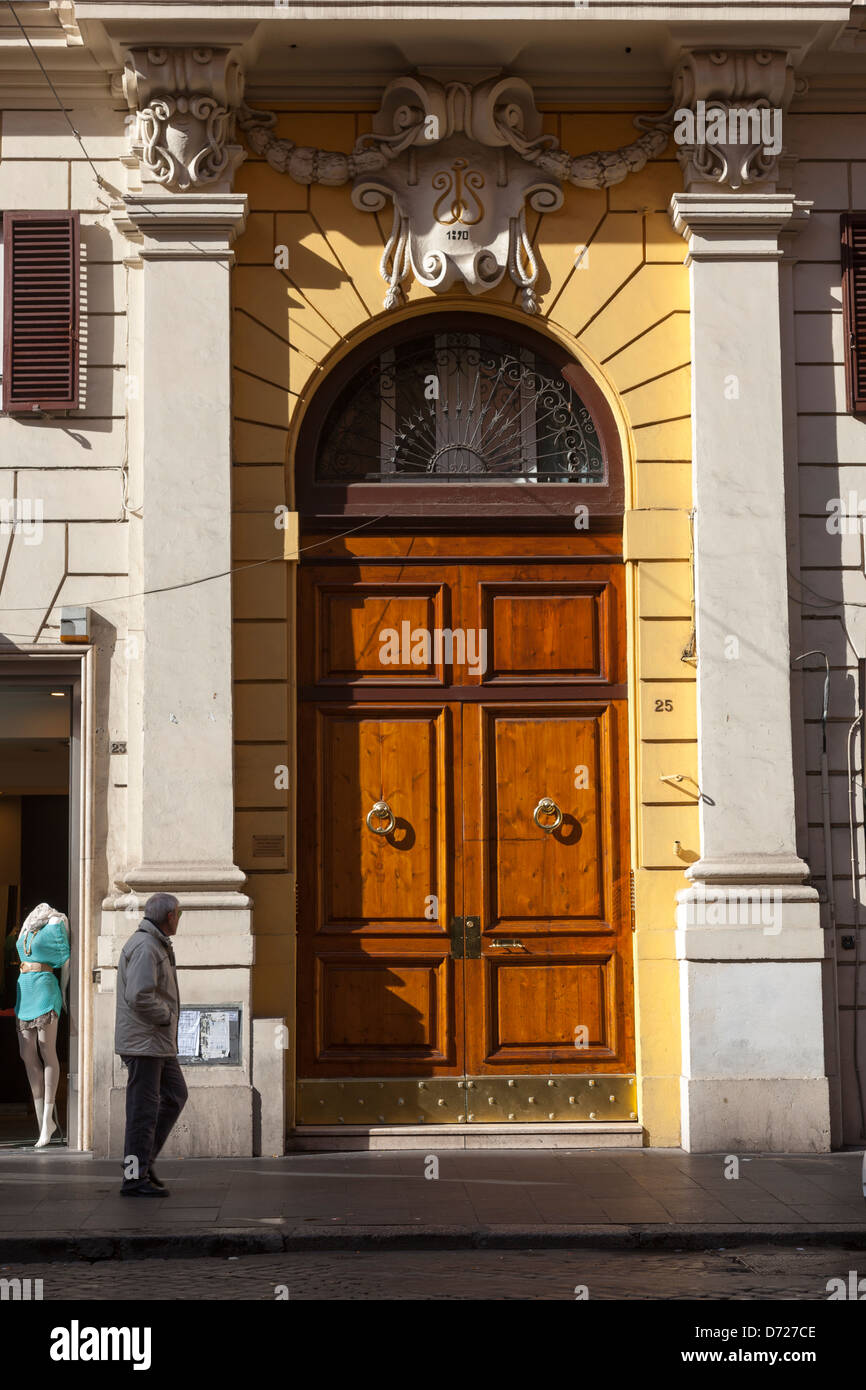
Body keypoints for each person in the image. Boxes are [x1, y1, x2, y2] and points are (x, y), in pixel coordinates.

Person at [115, 892, 187, 1197]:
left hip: (155, 1042)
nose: (179, 919)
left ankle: (141, 1163)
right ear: (169, 916)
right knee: (141, 1113)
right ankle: (133, 1177)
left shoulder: (154, 943)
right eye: (178, 914)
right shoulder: (146, 946)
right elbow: (139, 995)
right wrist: (167, 1016)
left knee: (174, 1095)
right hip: (145, 1042)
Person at [15, 903, 70, 1148]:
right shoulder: (27, 926)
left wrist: (65, 990)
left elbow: (65, 958)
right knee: (27, 1053)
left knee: (46, 1049)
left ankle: (47, 1119)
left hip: (46, 986)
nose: (40, 908)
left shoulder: (56, 922)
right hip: (25, 988)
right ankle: (43, 1122)